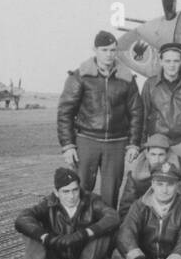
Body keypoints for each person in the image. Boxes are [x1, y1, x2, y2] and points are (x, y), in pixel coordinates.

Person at [56, 30, 144, 207]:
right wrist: (67, 145)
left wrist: (134, 143)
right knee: (80, 190)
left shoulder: (126, 78)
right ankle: (79, 231)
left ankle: (107, 232)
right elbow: (65, 111)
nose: (109, 55)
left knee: (110, 194)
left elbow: (136, 112)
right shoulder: (80, 76)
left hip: (117, 143)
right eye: (104, 50)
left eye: (113, 50)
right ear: (95, 50)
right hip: (87, 140)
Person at [16, 167, 120, 259]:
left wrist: (83, 234)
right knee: (31, 233)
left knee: (103, 234)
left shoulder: (91, 200)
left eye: (75, 190)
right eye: (65, 191)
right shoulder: (48, 203)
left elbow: (113, 217)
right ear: (56, 192)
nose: (71, 196)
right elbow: (22, 219)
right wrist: (47, 238)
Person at [138, 41, 181, 164]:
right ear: (161, 62)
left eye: (175, 61)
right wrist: (142, 143)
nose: (172, 65)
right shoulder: (150, 84)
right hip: (158, 143)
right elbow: (143, 115)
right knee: (158, 180)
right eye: (168, 61)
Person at [118, 132, 181, 218]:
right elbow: (126, 206)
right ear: (147, 154)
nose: (157, 160)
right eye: (153, 154)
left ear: (167, 155)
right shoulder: (137, 170)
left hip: (170, 216)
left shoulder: (178, 167)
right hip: (143, 216)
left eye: (161, 155)